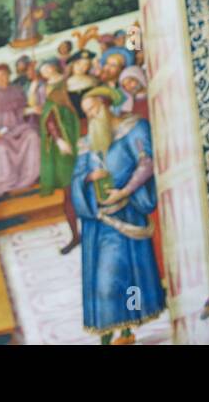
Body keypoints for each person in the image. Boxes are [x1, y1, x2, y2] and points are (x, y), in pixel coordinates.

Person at [71, 86, 165, 344]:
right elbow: (78, 178)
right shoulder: (87, 143)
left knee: (122, 275)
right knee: (102, 279)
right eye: (87, 114)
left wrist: (124, 191)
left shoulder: (134, 128)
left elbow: (147, 163)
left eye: (94, 110)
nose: (91, 117)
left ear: (106, 104)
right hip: (99, 223)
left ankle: (125, 331)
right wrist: (90, 177)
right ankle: (106, 332)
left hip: (128, 214)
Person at [32, 58, 81, 253]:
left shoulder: (69, 80)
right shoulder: (45, 88)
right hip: (61, 139)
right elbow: (47, 116)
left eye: (47, 66)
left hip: (79, 130)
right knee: (68, 189)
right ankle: (75, 235)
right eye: (42, 69)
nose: (46, 71)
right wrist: (59, 140)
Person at [0, 63, 42, 200]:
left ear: (9, 75)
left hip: (19, 130)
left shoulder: (17, 91)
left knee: (33, 137)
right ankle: (6, 187)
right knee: (0, 149)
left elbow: (22, 111)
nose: (2, 79)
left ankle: (32, 178)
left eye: (4, 75)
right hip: (0, 135)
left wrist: (32, 109)